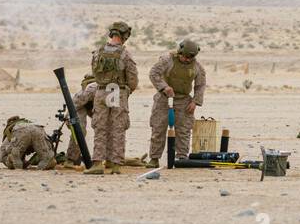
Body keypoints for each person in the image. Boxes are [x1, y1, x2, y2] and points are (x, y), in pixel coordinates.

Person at [85, 20, 138, 175]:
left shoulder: (98, 51)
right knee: (118, 128)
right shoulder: (125, 54)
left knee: (100, 128)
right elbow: (133, 79)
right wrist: (127, 91)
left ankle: (97, 163)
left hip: (101, 92)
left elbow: (95, 73)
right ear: (124, 36)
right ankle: (115, 164)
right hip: (118, 92)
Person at [147, 39, 207, 166]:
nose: (187, 60)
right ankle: (154, 158)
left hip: (184, 100)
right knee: (158, 128)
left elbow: (200, 85)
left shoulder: (197, 67)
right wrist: (164, 87)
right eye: (185, 57)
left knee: (184, 130)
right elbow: (154, 73)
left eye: (190, 58)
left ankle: (181, 158)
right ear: (179, 52)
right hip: (164, 98)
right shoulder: (167, 60)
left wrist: (195, 101)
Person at [63, 74, 98, 166]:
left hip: (94, 107)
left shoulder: (112, 88)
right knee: (79, 130)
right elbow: (74, 106)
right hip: (77, 108)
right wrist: (69, 118)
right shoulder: (89, 90)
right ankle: (70, 159)